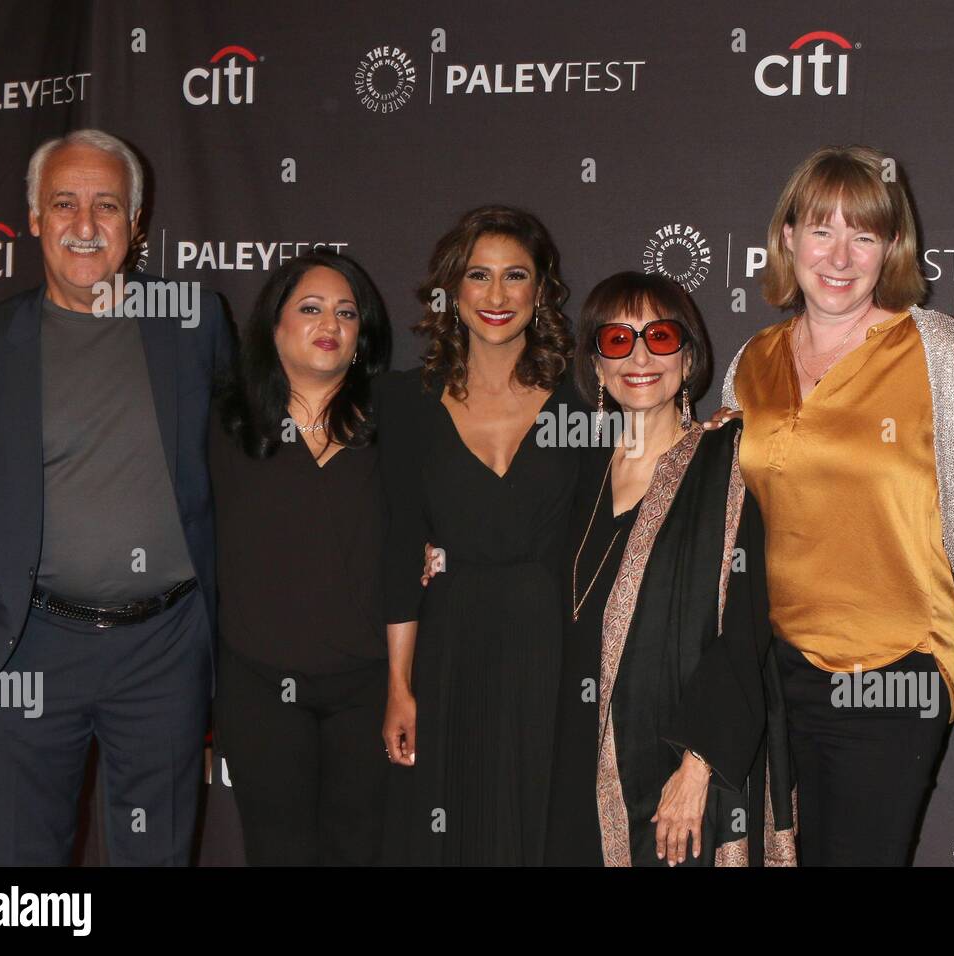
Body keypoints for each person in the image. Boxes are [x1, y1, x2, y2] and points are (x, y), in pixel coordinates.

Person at [0, 129, 232, 865]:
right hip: (28, 647)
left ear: (137, 222)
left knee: (157, 855)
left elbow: (255, 452)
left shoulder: (194, 323)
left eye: (106, 204)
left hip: (164, 649)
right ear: (33, 219)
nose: (83, 224)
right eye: (62, 203)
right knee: (24, 866)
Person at [717, 145, 954, 865]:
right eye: (821, 229)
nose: (840, 253)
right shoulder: (753, 362)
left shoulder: (938, 350)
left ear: (892, 246)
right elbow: (721, 517)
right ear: (787, 237)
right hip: (775, 672)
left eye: (864, 233)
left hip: (895, 667)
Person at [543, 271, 796, 866]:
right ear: (596, 366)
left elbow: (744, 630)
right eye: (616, 340)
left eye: (659, 337)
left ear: (687, 357)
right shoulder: (574, 474)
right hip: (578, 756)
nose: (638, 356)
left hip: (680, 766)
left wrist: (697, 767)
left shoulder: (729, 464)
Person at [378, 205, 584, 865]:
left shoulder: (583, 402)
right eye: (478, 277)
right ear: (451, 292)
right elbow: (397, 553)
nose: (497, 297)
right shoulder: (405, 402)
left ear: (541, 291)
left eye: (515, 276)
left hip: (553, 649)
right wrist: (399, 685)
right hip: (448, 648)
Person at [210, 250, 392, 865]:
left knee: (361, 852)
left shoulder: (399, 423)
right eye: (310, 308)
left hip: (369, 689)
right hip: (259, 686)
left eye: (347, 313)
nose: (331, 324)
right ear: (274, 326)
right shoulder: (224, 426)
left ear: (361, 337)